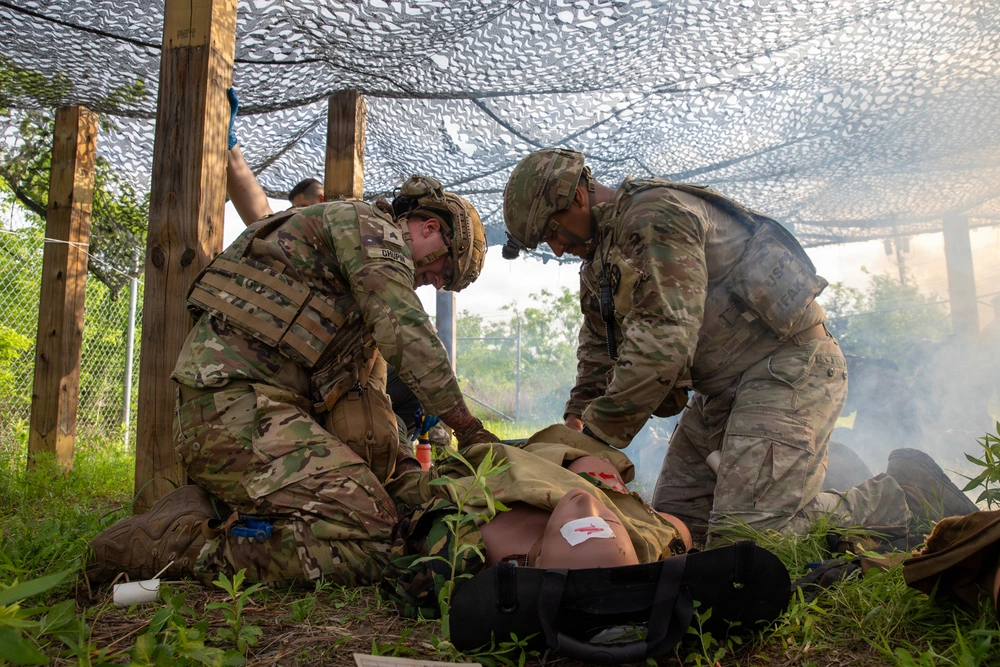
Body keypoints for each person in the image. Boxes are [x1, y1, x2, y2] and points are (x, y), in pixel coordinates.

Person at [500, 148, 976, 542]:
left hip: (786, 369)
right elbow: (598, 355)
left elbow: (665, 341)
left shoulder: (655, 216)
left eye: (550, 231)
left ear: (578, 195)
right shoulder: (599, 262)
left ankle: (905, 494)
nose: (555, 247)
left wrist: (599, 438)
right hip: (722, 392)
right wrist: (574, 428)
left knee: (749, 536)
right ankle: (798, 484)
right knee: (681, 529)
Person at [88, 167, 495, 589]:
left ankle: (211, 511)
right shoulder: (368, 229)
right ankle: (181, 546)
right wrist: (470, 430)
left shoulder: (355, 292)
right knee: (374, 537)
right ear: (430, 227)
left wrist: (408, 474)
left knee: (392, 516)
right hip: (232, 413)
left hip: (261, 416)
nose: (430, 282)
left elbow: (370, 405)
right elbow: (407, 332)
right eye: (442, 272)